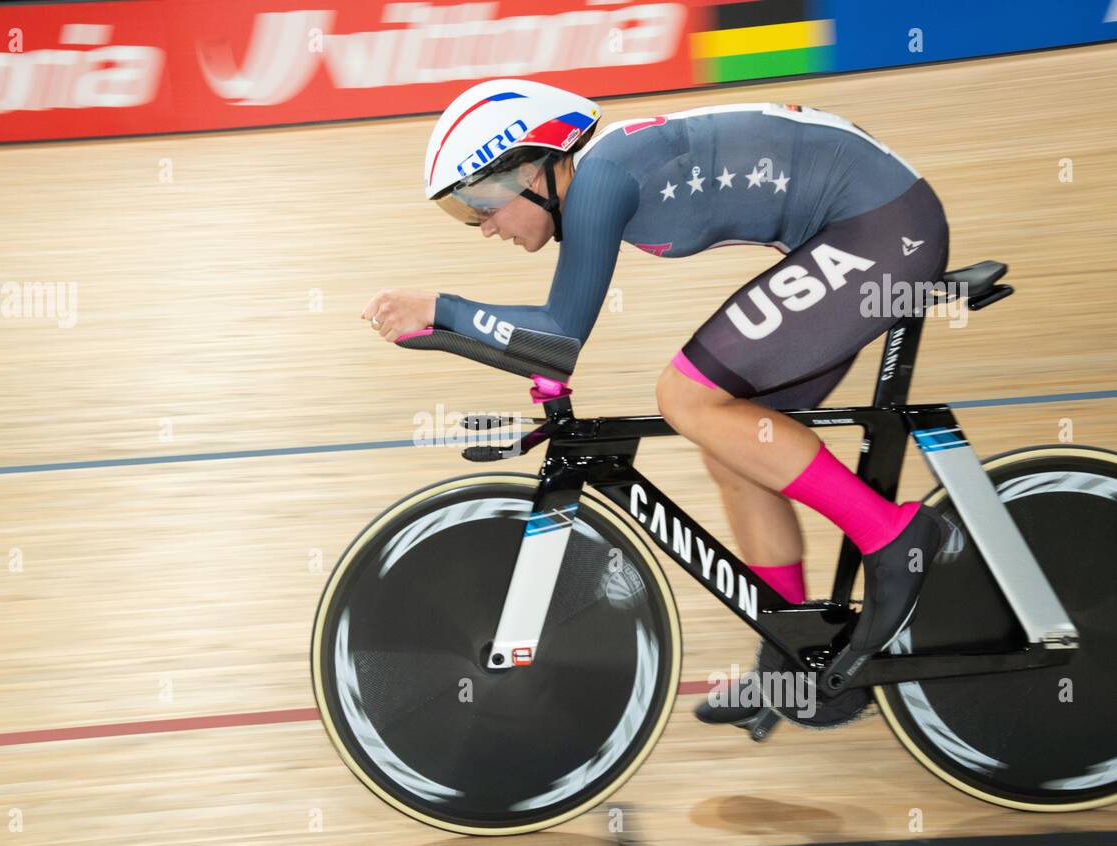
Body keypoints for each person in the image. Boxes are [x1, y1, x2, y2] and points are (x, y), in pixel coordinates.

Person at [361, 78, 945, 728]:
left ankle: (892, 536)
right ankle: (791, 658)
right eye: (465, 212)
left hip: (884, 230)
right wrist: (463, 342)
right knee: (732, 445)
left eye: (481, 202)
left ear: (537, 167)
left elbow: (559, 334)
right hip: (866, 229)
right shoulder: (603, 176)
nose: (482, 226)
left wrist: (442, 309)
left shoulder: (603, 181)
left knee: (684, 395)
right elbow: (551, 345)